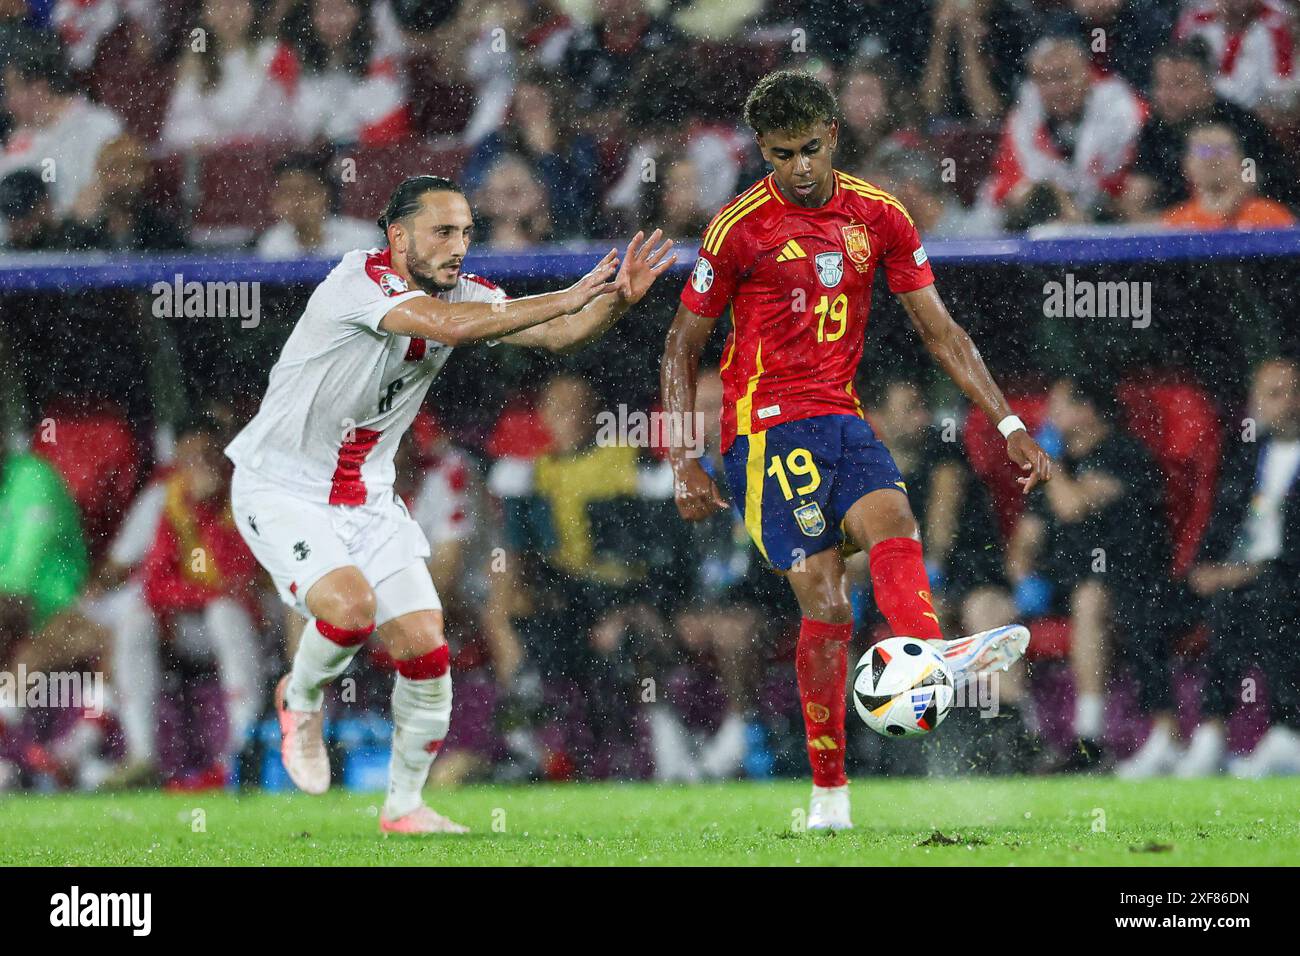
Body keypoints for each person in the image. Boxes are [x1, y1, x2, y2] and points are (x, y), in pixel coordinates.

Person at [225, 174, 675, 834]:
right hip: (281, 486)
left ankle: (404, 806)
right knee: (350, 612)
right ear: (397, 235)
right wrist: (566, 292)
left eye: (466, 232)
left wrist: (613, 304)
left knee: (427, 649)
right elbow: (453, 327)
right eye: (442, 232)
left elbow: (559, 335)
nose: (458, 246)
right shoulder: (360, 280)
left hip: (367, 497)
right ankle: (299, 695)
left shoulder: (467, 294)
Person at [661, 71, 1050, 830]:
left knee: (896, 522)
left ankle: (930, 657)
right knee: (827, 599)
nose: (799, 167)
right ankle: (830, 793)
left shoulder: (881, 216)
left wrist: (1007, 424)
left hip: (843, 414)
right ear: (762, 151)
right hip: (766, 426)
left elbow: (942, 331)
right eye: (781, 154)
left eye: (810, 148)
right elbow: (681, 346)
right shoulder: (737, 227)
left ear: (834, 136)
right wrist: (683, 457)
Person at [1007, 375, 1170, 773]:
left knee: (1090, 597)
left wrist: (1050, 462)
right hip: (1059, 583)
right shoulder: (1058, 467)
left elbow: (1075, 506)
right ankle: (1022, 734)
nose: (1047, 416)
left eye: (1058, 407)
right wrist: (1022, 572)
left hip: (1127, 581)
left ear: (1087, 410)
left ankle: (1089, 737)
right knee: (988, 610)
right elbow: (1027, 538)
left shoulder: (1122, 453)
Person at [1177, 357, 1300, 777]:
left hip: (1286, 577)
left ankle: (1288, 731)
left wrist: (1246, 572)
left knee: (1267, 598)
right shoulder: (1246, 455)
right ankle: (1207, 733)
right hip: (1241, 577)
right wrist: (1203, 567)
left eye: (1289, 391)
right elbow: (1222, 521)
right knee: (1153, 599)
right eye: (1271, 393)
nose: (1283, 402)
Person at [1122, 41, 1300, 220]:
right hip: (1182, 223)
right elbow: (1140, 188)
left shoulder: (1239, 123)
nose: (1168, 96)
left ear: (1207, 85)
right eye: (1161, 85)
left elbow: (1259, 175)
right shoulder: (1155, 130)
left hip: (1252, 221)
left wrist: (1231, 193)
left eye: (1181, 85)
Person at [1160, 123, 1297, 230]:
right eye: (1203, 151)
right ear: (1186, 164)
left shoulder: (1270, 216)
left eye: (1223, 150)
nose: (1213, 159)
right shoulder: (1175, 222)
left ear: (1241, 161)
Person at [255, 154, 378, 257]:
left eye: (306, 192)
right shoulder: (270, 245)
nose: (297, 202)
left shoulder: (361, 240)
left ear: (325, 195)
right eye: (288, 193)